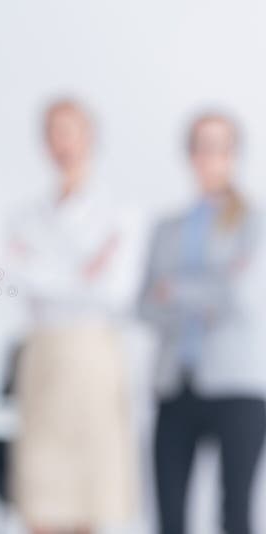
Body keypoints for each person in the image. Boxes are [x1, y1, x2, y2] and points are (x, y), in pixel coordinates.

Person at [7, 99, 139, 533]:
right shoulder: (26, 213)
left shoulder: (119, 211)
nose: (62, 142)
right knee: (40, 496)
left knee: (88, 494)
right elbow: (14, 279)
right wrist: (81, 271)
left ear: (91, 137)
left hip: (92, 357)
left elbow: (114, 292)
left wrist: (42, 270)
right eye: (53, 132)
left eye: (70, 130)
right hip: (43, 354)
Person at [139, 112, 266, 534]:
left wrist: (173, 288)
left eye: (218, 147)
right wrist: (211, 289)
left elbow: (243, 296)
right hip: (175, 382)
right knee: (169, 513)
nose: (208, 156)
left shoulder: (255, 222)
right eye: (199, 146)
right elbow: (144, 304)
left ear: (234, 154)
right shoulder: (167, 227)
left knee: (236, 513)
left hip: (237, 385)